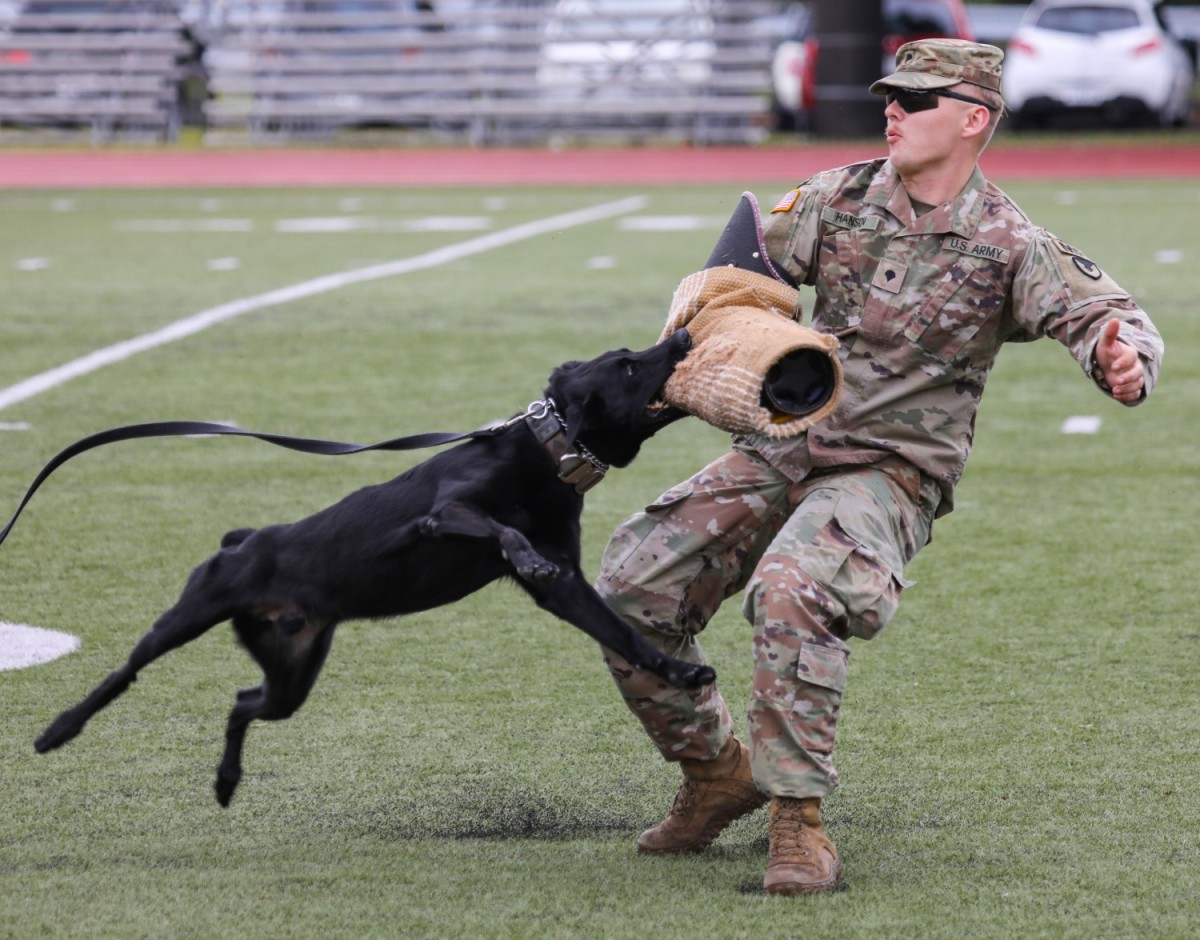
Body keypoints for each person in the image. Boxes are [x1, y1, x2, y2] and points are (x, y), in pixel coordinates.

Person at [594, 38, 1164, 896]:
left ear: (975, 120)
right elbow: (733, 283)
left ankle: (798, 823)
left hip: (889, 474)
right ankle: (716, 772)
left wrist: (1124, 359)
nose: (891, 109)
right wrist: (669, 368)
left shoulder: (1009, 242)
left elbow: (1104, 313)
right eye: (889, 95)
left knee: (793, 586)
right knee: (632, 585)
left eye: (916, 98)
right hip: (785, 444)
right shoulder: (836, 197)